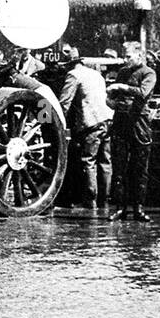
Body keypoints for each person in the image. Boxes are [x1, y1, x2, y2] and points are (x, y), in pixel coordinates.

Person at [56, 44, 114, 212]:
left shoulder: (73, 75)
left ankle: (91, 202)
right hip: (107, 120)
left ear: (69, 65)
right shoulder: (96, 74)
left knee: (89, 161)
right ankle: (105, 201)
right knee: (105, 161)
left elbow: (64, 103)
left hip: (90, 123)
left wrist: (54, 123)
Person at [107, 40, 157, 222]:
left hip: (139, 122)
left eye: (128, 56)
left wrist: (121, 87)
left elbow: (143, 93)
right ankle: (120, 208)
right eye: (124, 56)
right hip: (120, 120)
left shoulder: (148, 73)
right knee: (119, 166)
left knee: (139, 166)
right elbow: (113, 96)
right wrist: (110, 99)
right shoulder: (123, 72)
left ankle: (139, 208)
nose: (125, 59)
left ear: (139, 55)